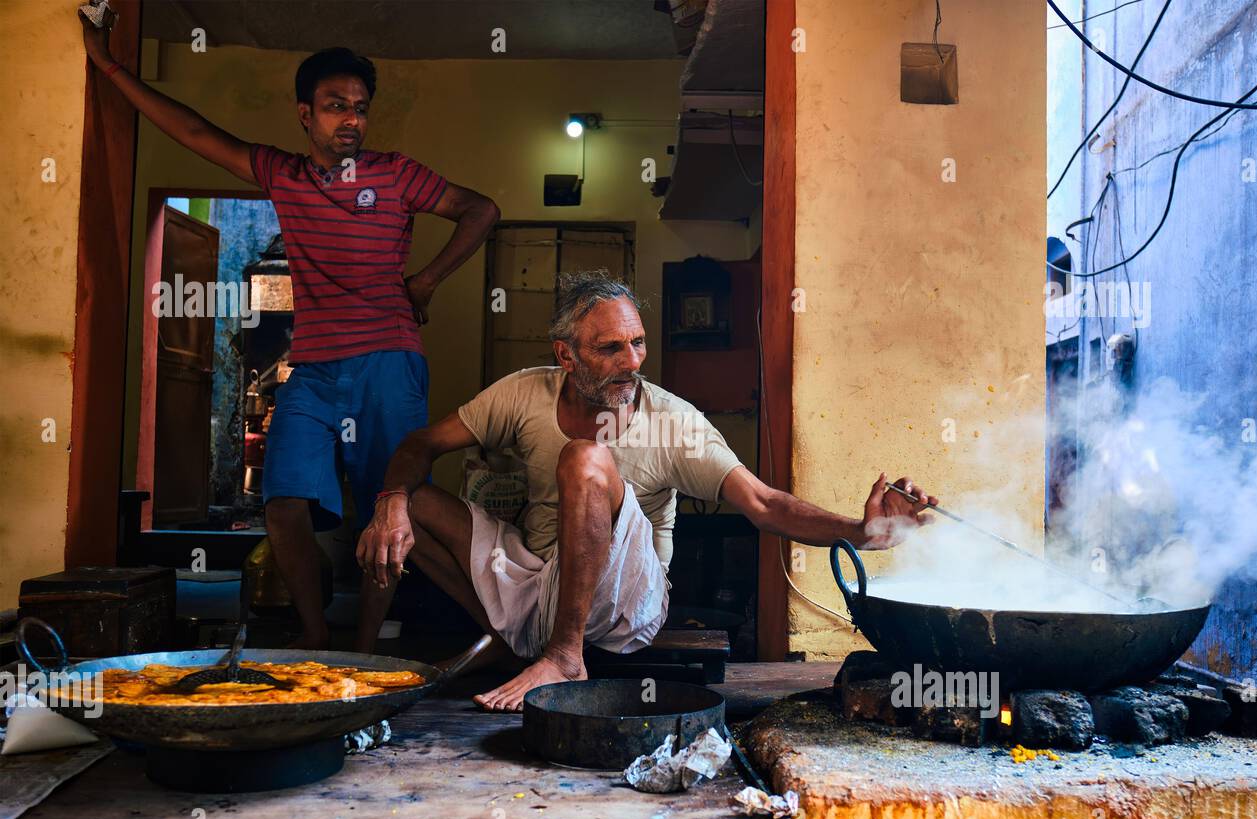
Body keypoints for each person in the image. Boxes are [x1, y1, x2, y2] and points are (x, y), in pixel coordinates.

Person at [81, 15, 500, 649]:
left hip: (387, 360)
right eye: (336, 106)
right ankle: (316, 638)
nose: (351, 119)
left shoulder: (394, 173)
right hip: (313, 370)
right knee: (282, 504)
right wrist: (110, 67)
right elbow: (194, 130)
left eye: (360, 108)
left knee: (392, 504)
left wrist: (427, 281)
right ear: (305, 114)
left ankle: (364, 650)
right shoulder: (284, 175)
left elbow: (481, 209)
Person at [357, 272, 935, 711]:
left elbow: (762, 503)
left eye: (637, 343)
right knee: (414, 501)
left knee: (585, 457)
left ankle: (564, 657)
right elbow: (420, 444)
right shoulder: (523, 394)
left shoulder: (674, 423)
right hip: (536, 584)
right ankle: (384, 658)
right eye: (610, 348)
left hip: (625, 603)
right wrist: (391, 505)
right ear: (565, 355)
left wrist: (863, 532)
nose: (631, 362)